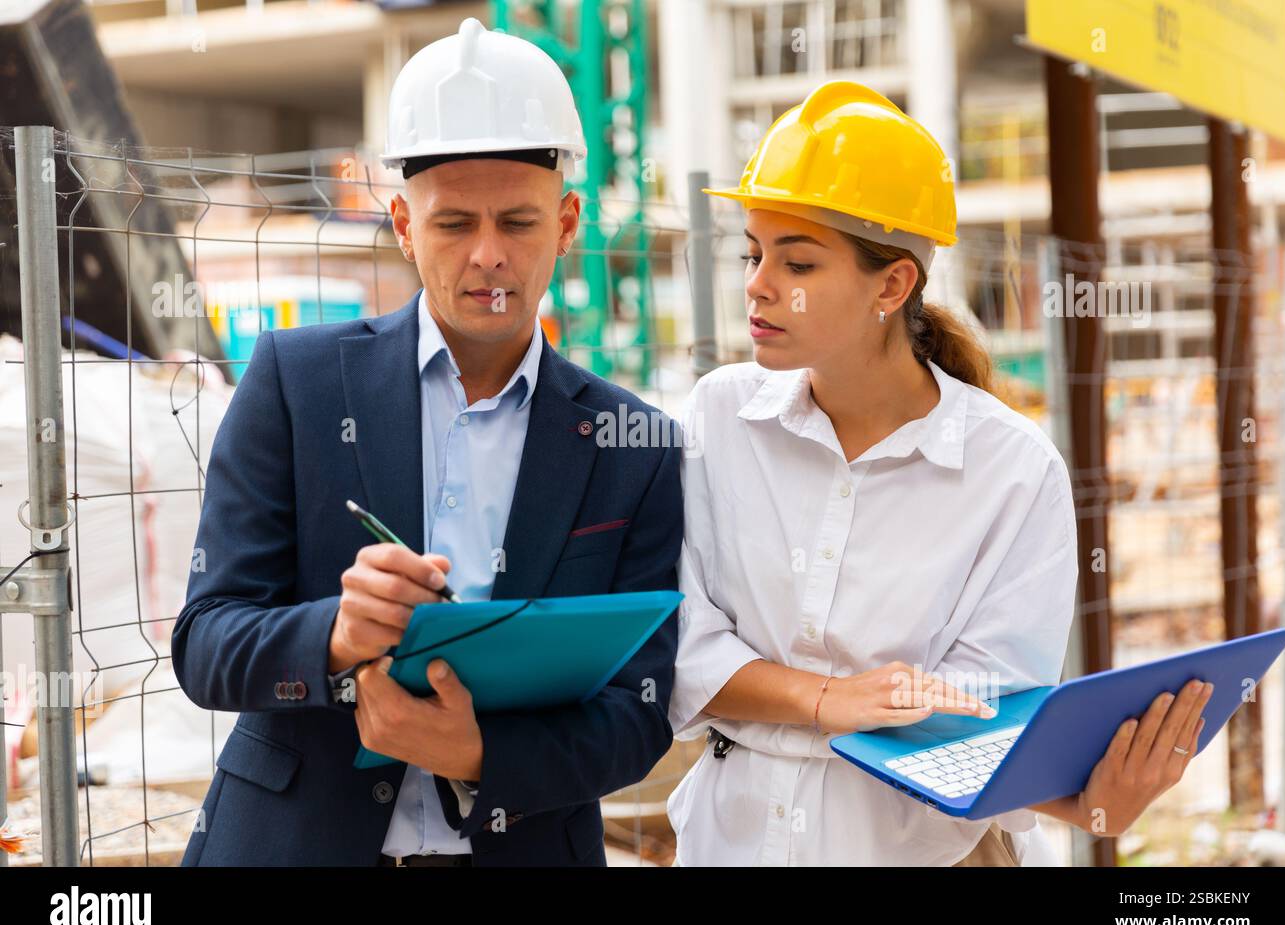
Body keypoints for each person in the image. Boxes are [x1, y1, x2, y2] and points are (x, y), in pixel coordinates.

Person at [172, 17, 682, 867]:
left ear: (565, 223)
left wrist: (479, 757)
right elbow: (205, 645)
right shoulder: (295, 384)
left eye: (518, 223)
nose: (489, 257)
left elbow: (640, 714)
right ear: (404, 226)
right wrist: (336, 633)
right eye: (453, 226)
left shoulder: (634, 444)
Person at [666, 80, 1212, 866]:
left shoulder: (1012, 474)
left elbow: (979, 720)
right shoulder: (719, 418)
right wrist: (828, 699)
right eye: (754, 253)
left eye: (798, 262)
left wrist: (1087, 799)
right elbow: (681, 641)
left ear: (892, 285)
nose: (757, 284)